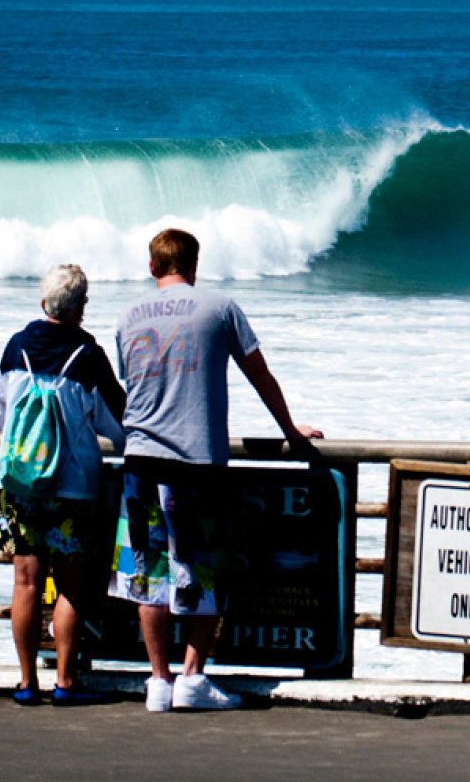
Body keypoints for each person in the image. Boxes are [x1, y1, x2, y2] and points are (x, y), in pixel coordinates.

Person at [109, 228, 323, 712]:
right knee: (204, 570)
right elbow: (259, 374)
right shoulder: (220, 307)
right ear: (195, 264)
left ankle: (158, 681)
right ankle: (192, 676)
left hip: (140, 460)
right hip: (197, 461)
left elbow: (134, 385)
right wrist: (289, 429)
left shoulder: (127, 317)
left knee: (148, 573)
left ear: (151, 267)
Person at [0, 264, 126, 706]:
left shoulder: (16, 347)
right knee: (70, 586)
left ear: (43, 303)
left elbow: (1, 413)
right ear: (81, 308)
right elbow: (116, 423)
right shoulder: (87, 355)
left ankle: (26, 682)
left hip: (21, 483)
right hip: (74, 488)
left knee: (26, 583)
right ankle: (66, 682)